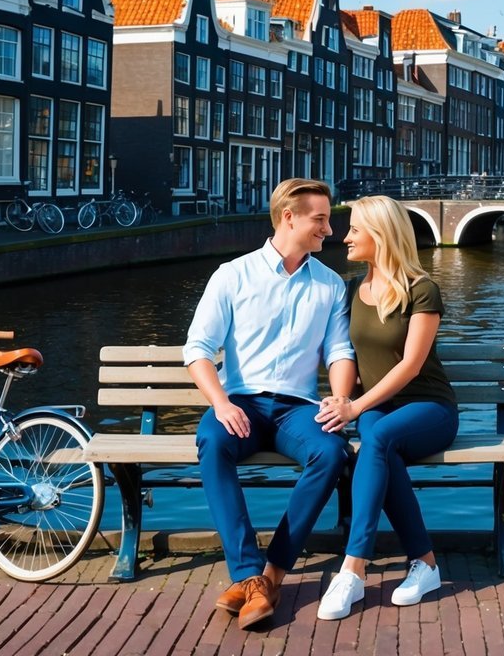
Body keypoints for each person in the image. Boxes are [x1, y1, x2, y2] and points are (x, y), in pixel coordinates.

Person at [184, 178, 356, 630]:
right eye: (320, 219)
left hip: (296, 408)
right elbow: (198, 350)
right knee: (211, 441)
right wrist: (220, 404)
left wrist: (339, 398)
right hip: (239, 400)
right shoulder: (232, 275)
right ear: (289, 218)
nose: (329, 229)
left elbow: (340, 352)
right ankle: (245, 574)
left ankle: (271, 574)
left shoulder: (330, 284)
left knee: (332, 450)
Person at [313, 194, 459, 620]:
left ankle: (352, 570)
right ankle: (426, 564)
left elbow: (412, 366)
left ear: (382, 234)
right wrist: (341, 397)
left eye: (355, 229)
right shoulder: (353, 290)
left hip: (428, 407)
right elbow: (345, 354)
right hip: (376, 408)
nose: (345, 237)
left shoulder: (422, 290)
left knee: (376, 439)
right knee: (379, 444)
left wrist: (355, 408)